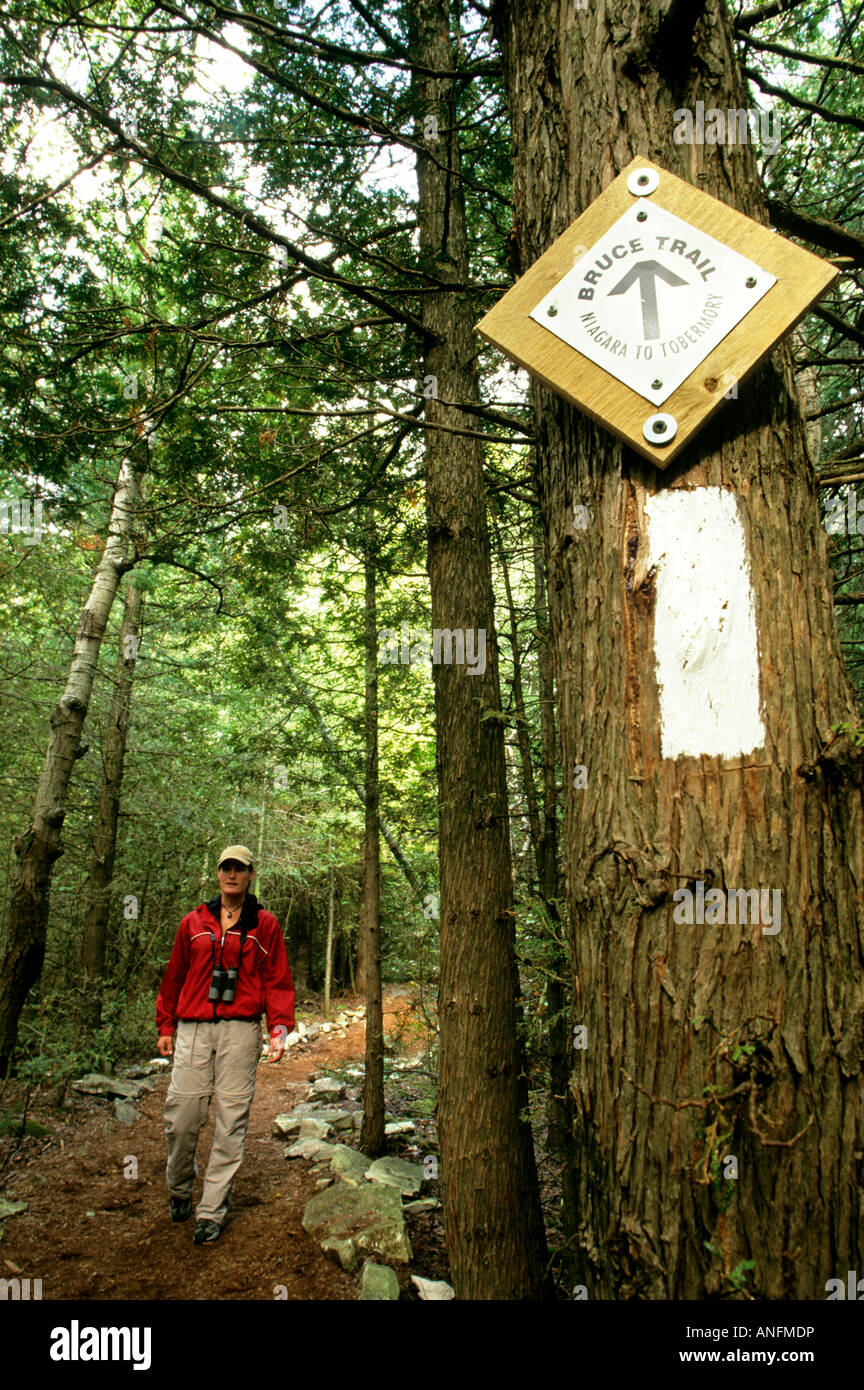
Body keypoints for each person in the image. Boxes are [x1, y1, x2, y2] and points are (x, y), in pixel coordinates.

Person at [155, 844, 295, 1245]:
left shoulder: (264, 924)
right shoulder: (193, 922)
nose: (232, 874)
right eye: (226, 867)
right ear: (218, 874)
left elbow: (278, 981)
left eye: (241, 868)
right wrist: (166, 1025)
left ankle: (211, 1210)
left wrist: (279, 1031)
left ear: (251, 875)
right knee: (182, 1116)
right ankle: (180, 1187)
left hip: (241, 1031)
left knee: (230, 1121)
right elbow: (174, 977)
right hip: (193, 1029)